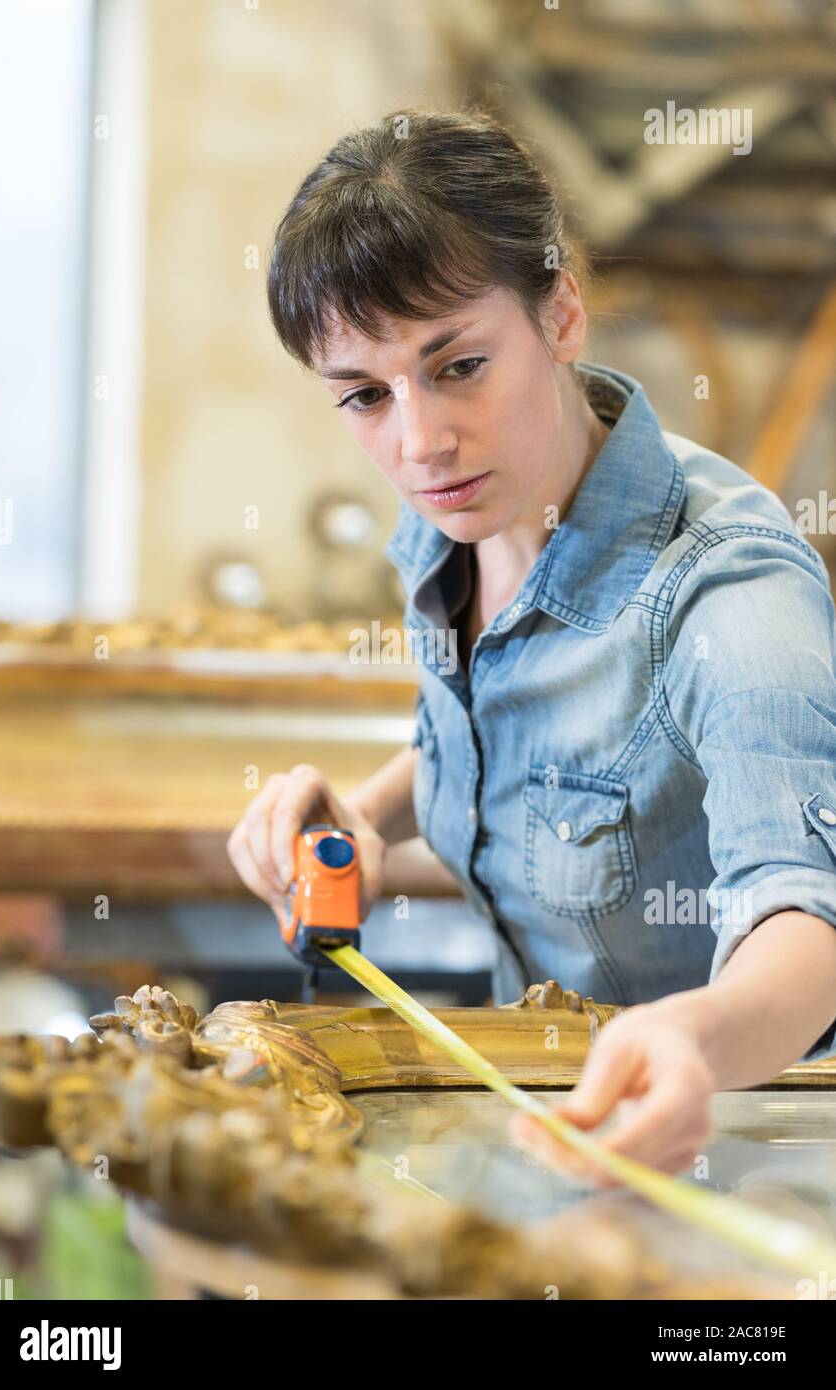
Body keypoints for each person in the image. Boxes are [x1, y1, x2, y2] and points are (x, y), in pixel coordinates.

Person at [227, 106, 836, 1184]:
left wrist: (692, 1039)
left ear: (559, 314)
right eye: (364, 395)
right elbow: (527, 730)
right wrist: (362, 818)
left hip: (747, 1150)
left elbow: (807, 919)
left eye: (456, 365)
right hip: (552, 1134)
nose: (416, 442)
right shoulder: (449, 524)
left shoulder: (728, 594)